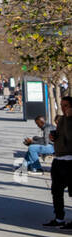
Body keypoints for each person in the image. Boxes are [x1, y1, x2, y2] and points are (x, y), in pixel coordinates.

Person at [44, 97, 72, 229]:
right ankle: (59, 217)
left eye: (66, 105)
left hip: (70, 161)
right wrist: (52, 137)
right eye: (61, 105)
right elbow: (60, 135)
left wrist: (69, 119)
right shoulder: (61, 120)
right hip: (59, 160)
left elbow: (70, 136)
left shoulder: (69, 120)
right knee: (56, 191)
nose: (63, 108)